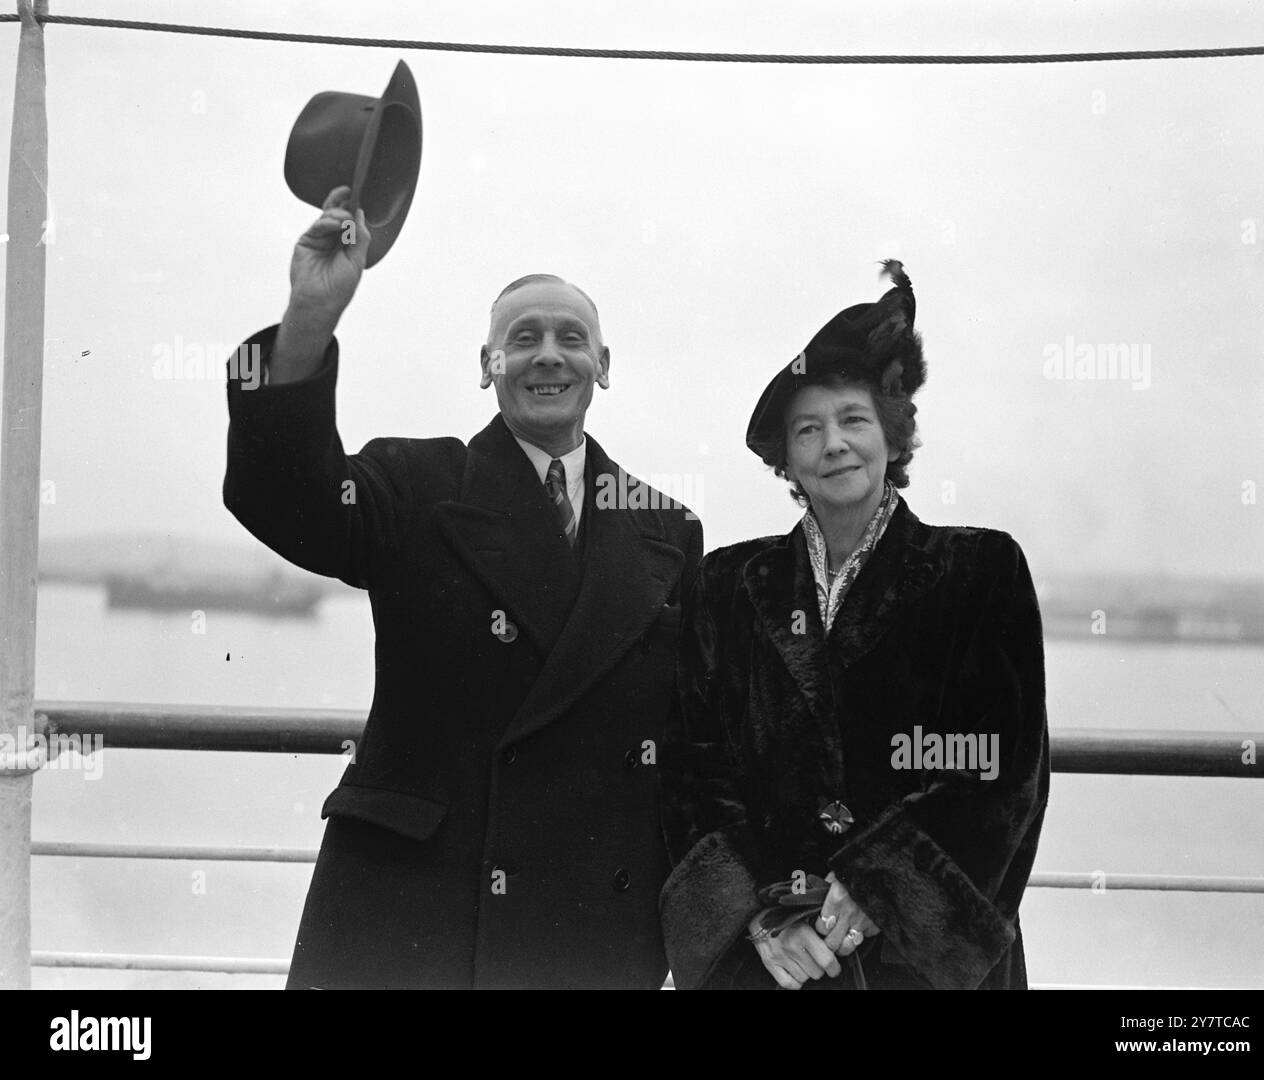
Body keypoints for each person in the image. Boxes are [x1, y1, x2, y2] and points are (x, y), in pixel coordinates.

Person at [224, 187, 701, 988]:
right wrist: (311, 316)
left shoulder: (668, 529)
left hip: (585, 932)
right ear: (489, 367)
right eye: (522, 339)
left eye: (570, 338)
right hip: (413, 918)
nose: (548, 354)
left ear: (602, 368)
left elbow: (690, 738)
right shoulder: (418, 484)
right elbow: (285, 497)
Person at [659, 261, 1049, 990]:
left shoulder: (980, 571)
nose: (833, 443)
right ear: (788, 460)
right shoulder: (726, 585)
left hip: (918, 962)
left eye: (853, 420)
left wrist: (881, 891)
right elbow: (693, 770)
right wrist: (764, 914)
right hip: (772, 961)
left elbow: (1002, 767)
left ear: (893, 438)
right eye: (808, 429)